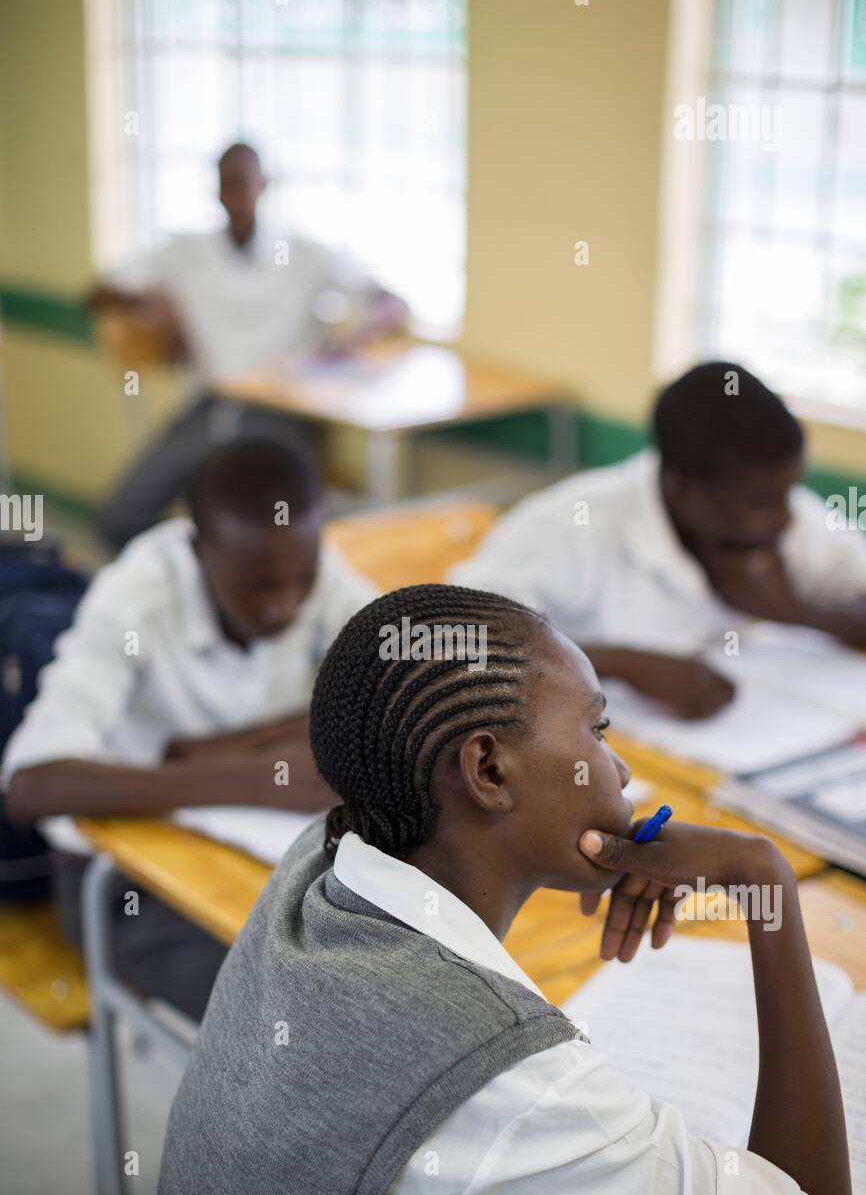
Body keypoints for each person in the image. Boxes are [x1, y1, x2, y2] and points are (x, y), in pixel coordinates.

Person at [150, 584, 851, 1195]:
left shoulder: (323, 858)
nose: (624, 771)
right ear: (487, 770)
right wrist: (766, 886)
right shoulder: (499, 1088)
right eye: (598, 732)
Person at [1, 438, 376, 1021]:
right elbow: (30, 785)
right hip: (120, 886)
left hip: (260, 861)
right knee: (305, 1012)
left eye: (300, 582)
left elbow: (396, 682)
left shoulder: (308, 568)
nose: (284, 607)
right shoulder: (134, 602)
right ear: (199, 551)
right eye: (259, 588)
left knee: (393, 967)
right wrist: (252, 778)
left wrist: (199, 755)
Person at [452, 363, 866, 720]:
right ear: (683, 489)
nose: (783, 519)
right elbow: (452, 650)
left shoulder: (783, 514)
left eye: (789, 493)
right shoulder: (566, 528)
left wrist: (792, 610)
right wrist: (618, 663)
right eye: (759, 505)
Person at [88, 142, 409, 549]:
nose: (236, 195)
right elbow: (98, 293)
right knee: (120, 516)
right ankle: (195, 577)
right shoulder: (184, 252)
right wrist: (159, 305)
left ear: (264, 185)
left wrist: (352, 339)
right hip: (210, 409)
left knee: (273, 532)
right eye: (226, 184)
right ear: (216, 191)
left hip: (280, 415)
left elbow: (392, 303)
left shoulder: (303, 253)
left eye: (244, 182)